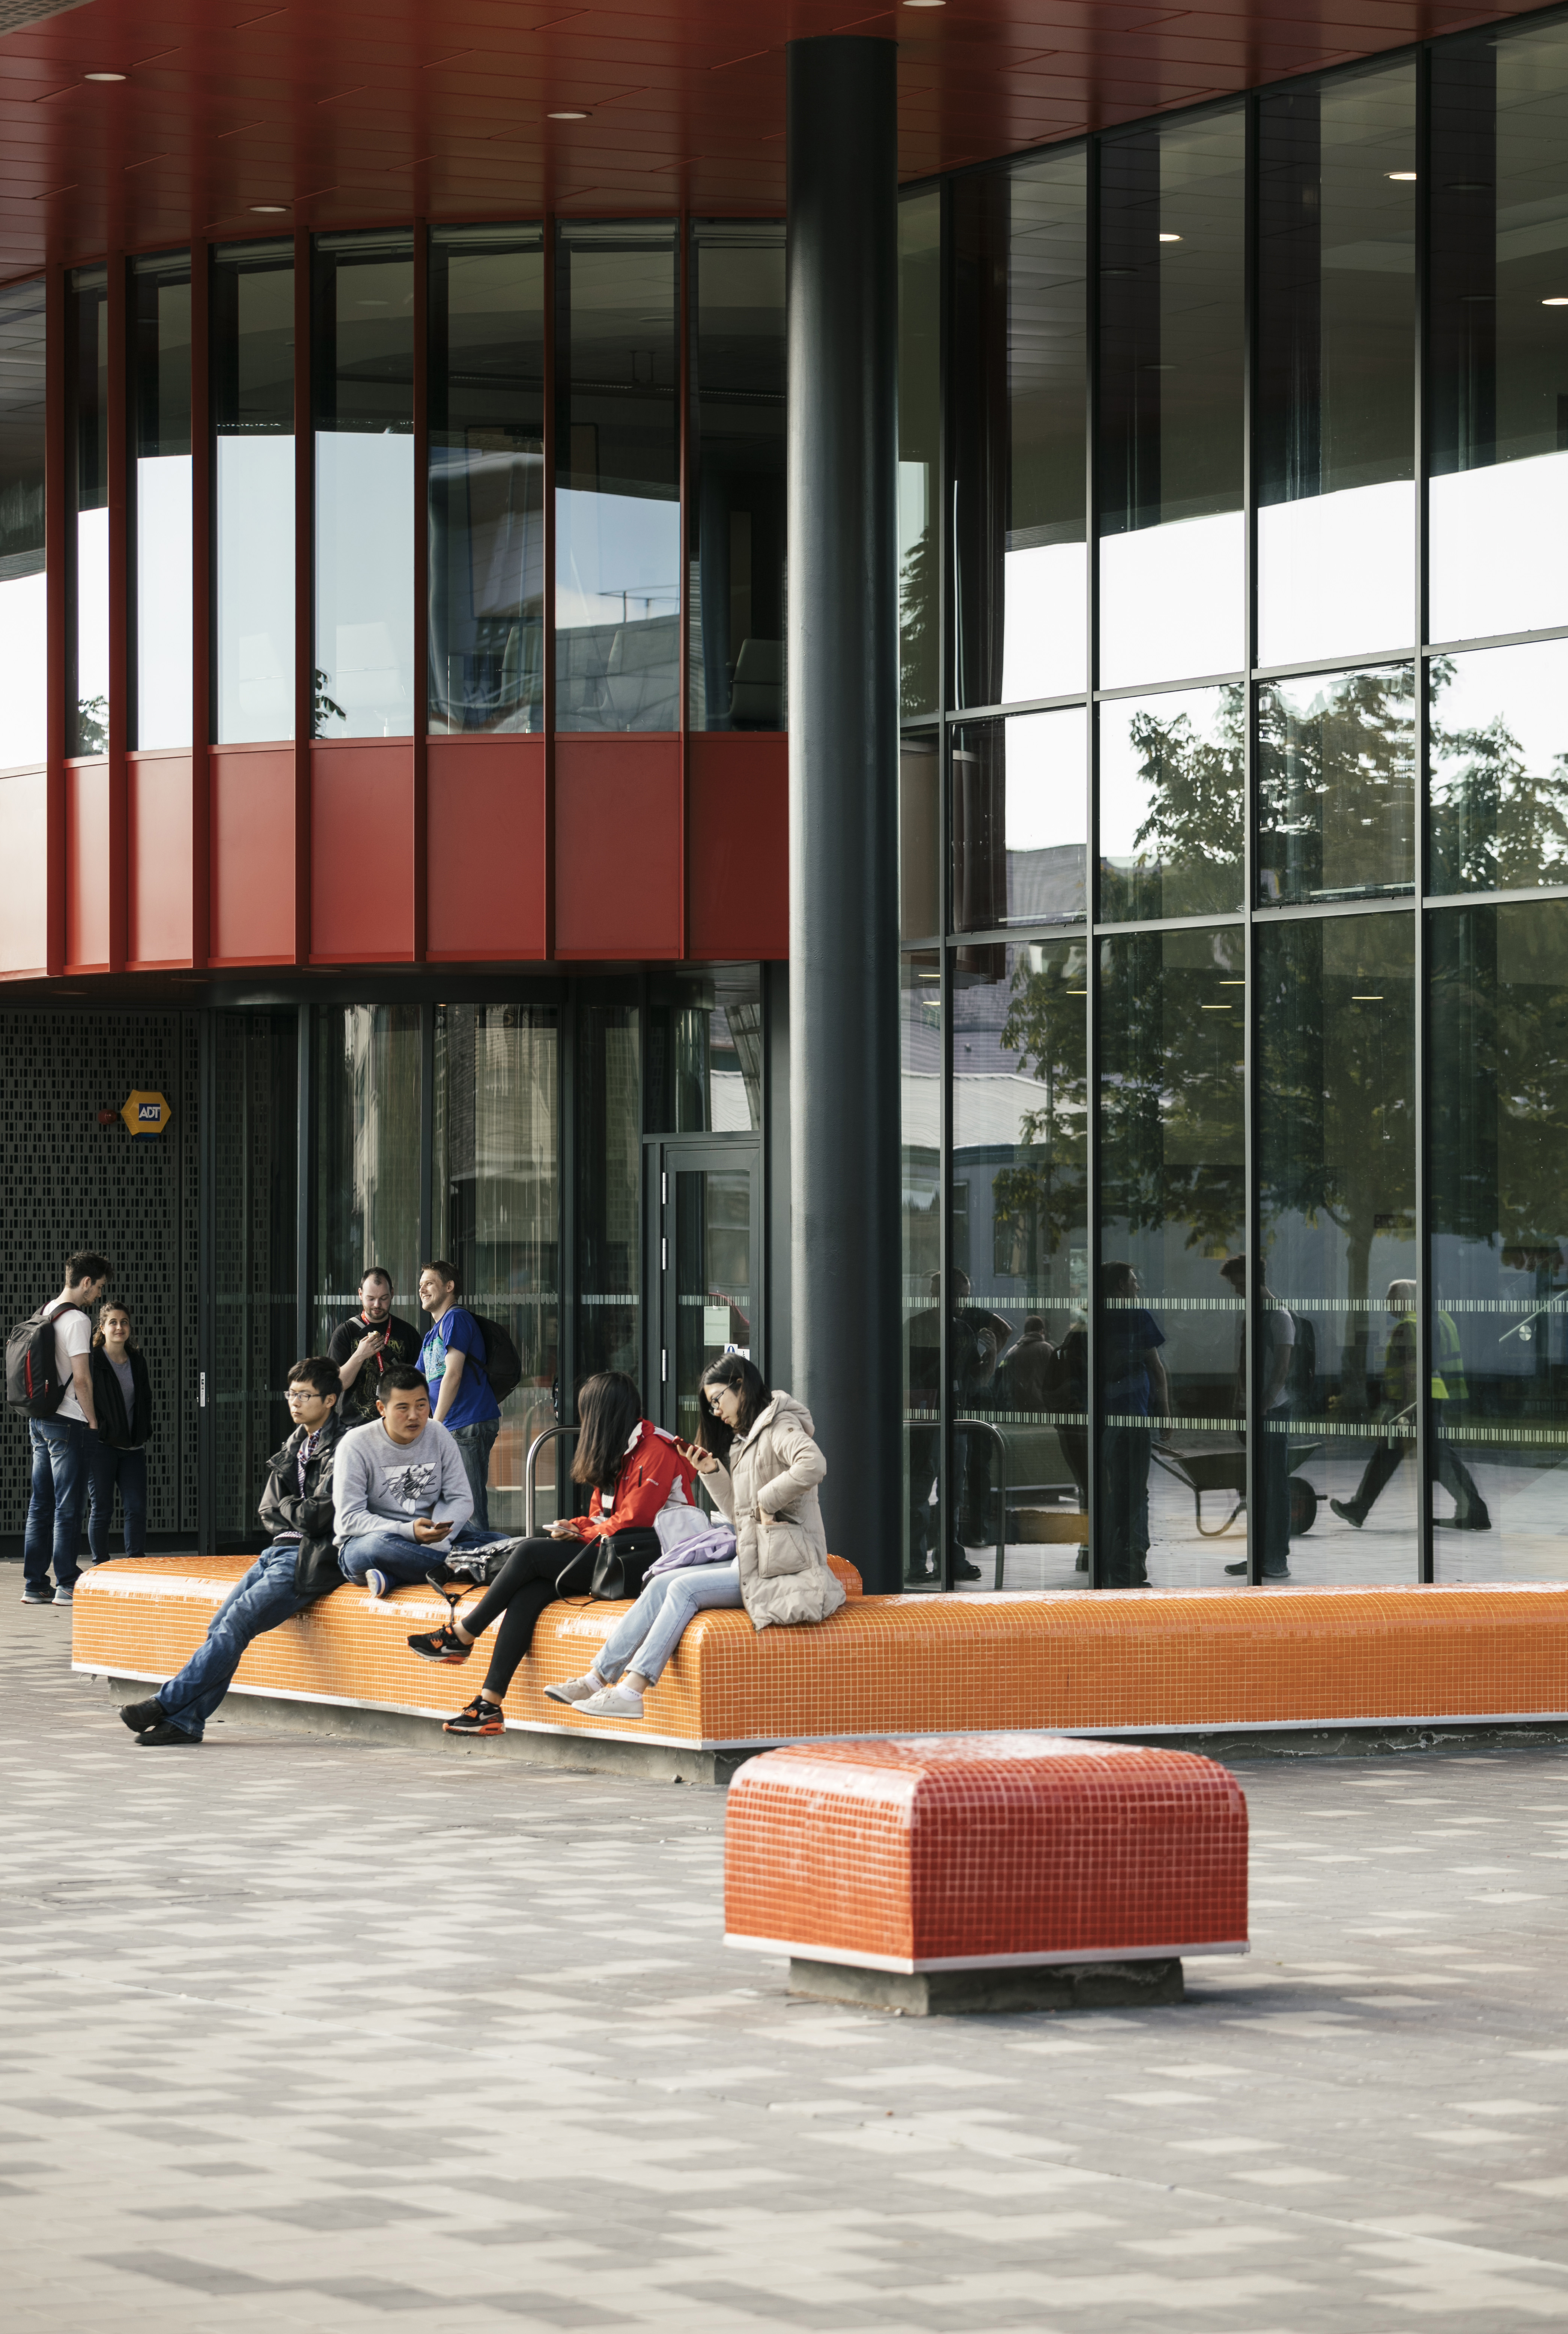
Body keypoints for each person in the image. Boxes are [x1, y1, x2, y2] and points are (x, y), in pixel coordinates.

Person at [405, 1368, 707, 1736]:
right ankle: (489, 1705)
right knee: (529, 1592)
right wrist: (576, 1526)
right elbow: (603, 1515)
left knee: (532, 1552)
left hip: (646, 1563)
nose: (582, 1421)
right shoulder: (617, 1448)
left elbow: (633, 1521)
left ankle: (464, 1634)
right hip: (614, 1555)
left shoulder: (656, 1450)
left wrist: (584, 1531)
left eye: (586, 1413)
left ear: (602, 1415)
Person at [550, 1354, 846, 1722]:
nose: (715, 1410)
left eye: (718, 1399)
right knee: (661, 1582)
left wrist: (768, 1500)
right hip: (760, 1558)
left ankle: (631, 1691)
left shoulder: (781, 1427)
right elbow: (744, 1514)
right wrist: (712, 1473)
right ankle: (595, 1679)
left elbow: (813, 1465)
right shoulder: (749, 1438)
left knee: (683, 1590)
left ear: (740, 1384)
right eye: (710, 1405)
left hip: (789, 1568)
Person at [119, 1357, 350, 1746]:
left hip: (309, 1559)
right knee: (220, 1627)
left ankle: (165, 1703)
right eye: (291, 1394)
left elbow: (318, 1518)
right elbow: (267, 1510)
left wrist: (289, 1508)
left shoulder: (344, 1446)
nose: (294, 1402)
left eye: (304, 1395)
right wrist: (293, 1509)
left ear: (329, 1400)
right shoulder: (296, 1442)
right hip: (277, 1552)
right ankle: (187, 1722)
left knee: (236, 1624)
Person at [334, 1362, 505, 1599]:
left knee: (498, 1540)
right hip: (372, 1543)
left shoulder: (438, 1434)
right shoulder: (355, 1444)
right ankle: (465, 1567)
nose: (414, 1416)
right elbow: (349, 1519)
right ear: (382, 1408)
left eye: (422, 1405)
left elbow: (461, 1498)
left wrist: (436, 1540)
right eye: (403, 1408)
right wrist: (408, 1533)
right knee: (375, 1547)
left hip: (433, 1536)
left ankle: (395, 1576)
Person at [1330, 1281, 1491, 1533]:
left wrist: (1406, 1410)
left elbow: (1411, 1370)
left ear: (1405, 1299)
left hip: (1412, 1402)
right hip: (1433, 1397)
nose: (1387, 1304)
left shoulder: (1408, 1327)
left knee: (1418, 1457)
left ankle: (1476, 1510)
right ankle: (1474, 1510)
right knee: (1406, 1455)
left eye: (1391, 1298)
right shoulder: (1442, 1320)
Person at [20, 1250, 111, 1607]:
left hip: (40, 1419)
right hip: (69, 1421)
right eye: (99, 1287)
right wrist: (92, 1420)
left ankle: (34, 1583)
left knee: (40, 1503)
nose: (99, 1295)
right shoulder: (77, 1321)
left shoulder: (46, 1311)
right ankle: (68, 1583)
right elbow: (83, 1379)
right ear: (86, 1282)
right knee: (68, 1505)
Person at [1220, 1252, 1294, 1582]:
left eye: (1239, 1284)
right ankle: (1259, 1554)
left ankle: (1277, 1557)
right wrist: (1240, 1403)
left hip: (1272, 1410)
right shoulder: (1253, 1315)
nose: (1237, 1291)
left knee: (1274, 1485)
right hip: (1254, 1409)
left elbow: (1282, 1368)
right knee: (1258, 1485)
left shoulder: (1279, 1316)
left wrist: (1262, 1405)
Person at [416, 1259, 501, 1531]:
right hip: (454, 1426)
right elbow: (417, 1381)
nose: (423, 1289)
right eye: (421, 1285)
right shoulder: (432, 1335)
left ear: (449, 1286)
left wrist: (435, 1424)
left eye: (429, 1283)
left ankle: (488, 1567)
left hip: (466, 1423)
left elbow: (453, 1374)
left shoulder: (456, 1318)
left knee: (470, 1509)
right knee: (452, 1506)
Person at [1099, 1263, 1169, 1588]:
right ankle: (1131, 1562)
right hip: (1131, 1419)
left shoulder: (1092, 1319)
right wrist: (1165, 1414)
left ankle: (1103, 1557)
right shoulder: (1136, 1317)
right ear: (1118, 1288)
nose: (1138, 1288)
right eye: (1133, 1282)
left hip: (1101, 1421)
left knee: (1107, 1490)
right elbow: (1156, 1369)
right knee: (1136, 1492)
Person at [86, 1301, 153, 1562]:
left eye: (124, 1322)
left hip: (133, 1449)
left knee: (136, 1508)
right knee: (102, 1509)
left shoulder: (137, 1360)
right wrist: (100, 1428)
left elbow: (145, 1399)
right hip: (102, 1446)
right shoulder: (94, 1360)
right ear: (102, 1327)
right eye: (113, 1322)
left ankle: (135, 1563)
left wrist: (144, 1430)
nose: (119, 1327)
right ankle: (100, 1565)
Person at [326, 1267, 421, 1430]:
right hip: (354, 1428)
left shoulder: (408, 1333)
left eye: (384, 1298)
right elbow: (336, 1384)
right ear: (361, 1294)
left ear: (392, 1293)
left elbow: (421, 1382)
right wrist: (359, 1356)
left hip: (398, 1429)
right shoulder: (345, 1333)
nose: (377, 1305)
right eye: (371, 1299)